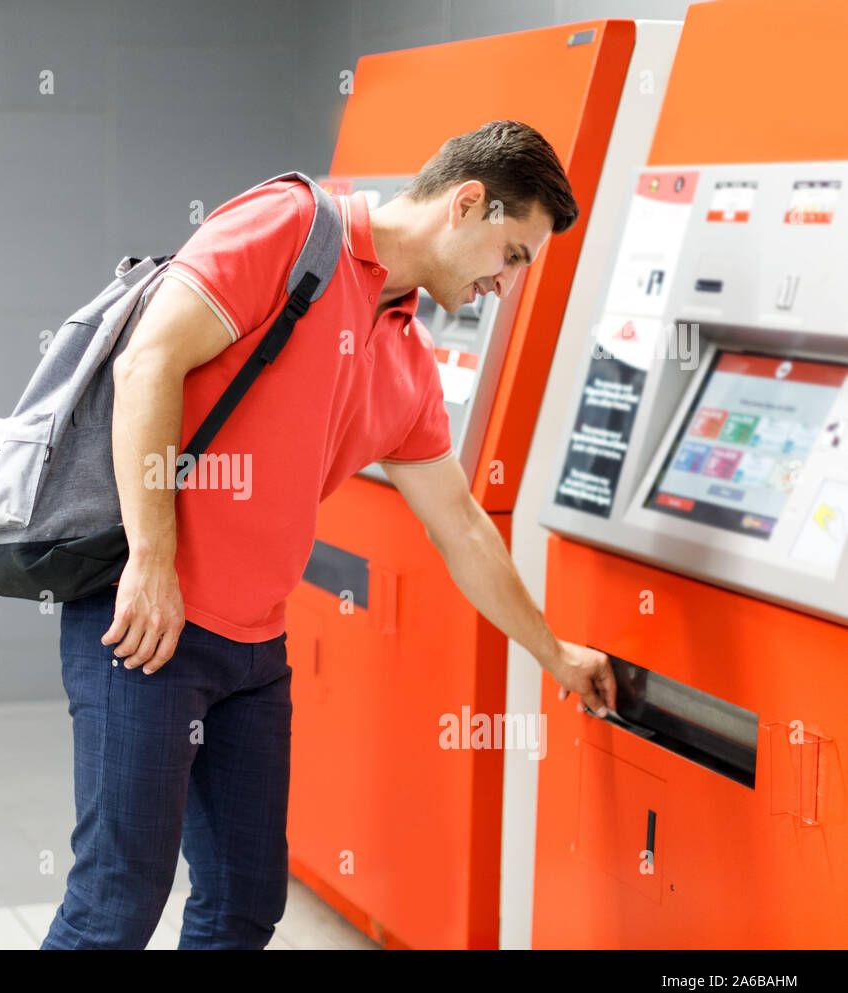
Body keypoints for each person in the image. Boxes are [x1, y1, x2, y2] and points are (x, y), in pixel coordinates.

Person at [41, 120, 617, 950]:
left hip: (252, 653)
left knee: (243, 903)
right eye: (514, 252)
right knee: (116, 904)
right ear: (467, 203)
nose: (509, 281)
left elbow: (461, 526)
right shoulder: (290, 226)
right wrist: (154, 561)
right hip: (145, 624)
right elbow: (148, 363)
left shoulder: (408, 360)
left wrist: (554, 652)